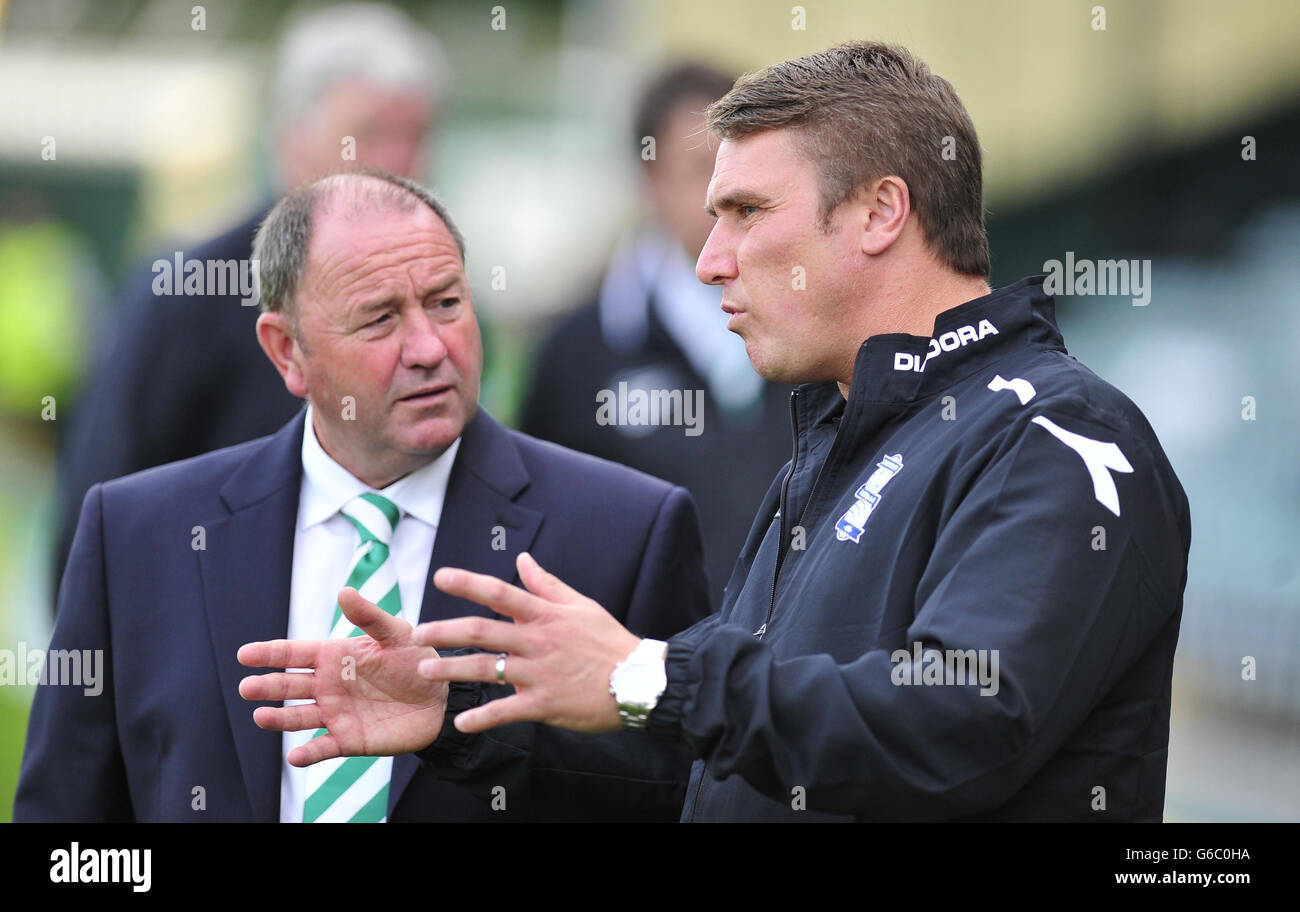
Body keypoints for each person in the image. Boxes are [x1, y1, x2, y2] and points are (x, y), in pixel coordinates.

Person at [238, 42, 1192, 822]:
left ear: (880, 211)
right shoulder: (834, 440)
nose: (708, 261)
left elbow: (961, 726)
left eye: (744, 213)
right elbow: (724, 772)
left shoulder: (1057, 437)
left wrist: (652, 671)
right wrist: (467, 719)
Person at [14, 170, 709, 822]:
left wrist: (467, 725)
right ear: (287, 351)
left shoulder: (625, 530)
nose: (429, 347)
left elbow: (683, 793)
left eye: (445, 303)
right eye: (379, 318)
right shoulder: (138, 533)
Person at [51, 3, 449, 606]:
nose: (399, 163)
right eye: (369, 134)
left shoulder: (441, 293)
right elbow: (97, 510)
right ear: (292, 137)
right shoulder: (187, 291)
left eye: (415, 136)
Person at [519, 63, 792, 610]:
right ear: (650, 181)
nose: (728, 196)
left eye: (743, 172)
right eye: (700, 170)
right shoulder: (577, 353)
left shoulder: (823, 333)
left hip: (790, 677)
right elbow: (538, 530)